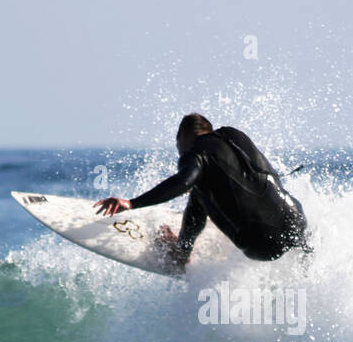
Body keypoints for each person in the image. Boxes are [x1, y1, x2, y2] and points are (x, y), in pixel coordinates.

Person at [94, 114, 308, 270]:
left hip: (263, 246)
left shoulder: (195, 153)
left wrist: (132, 203)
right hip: (297, 223)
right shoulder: (233, 135)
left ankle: (181, 252)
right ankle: (307, 252)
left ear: (183, 136)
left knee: (198, 189)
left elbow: (184, 181)